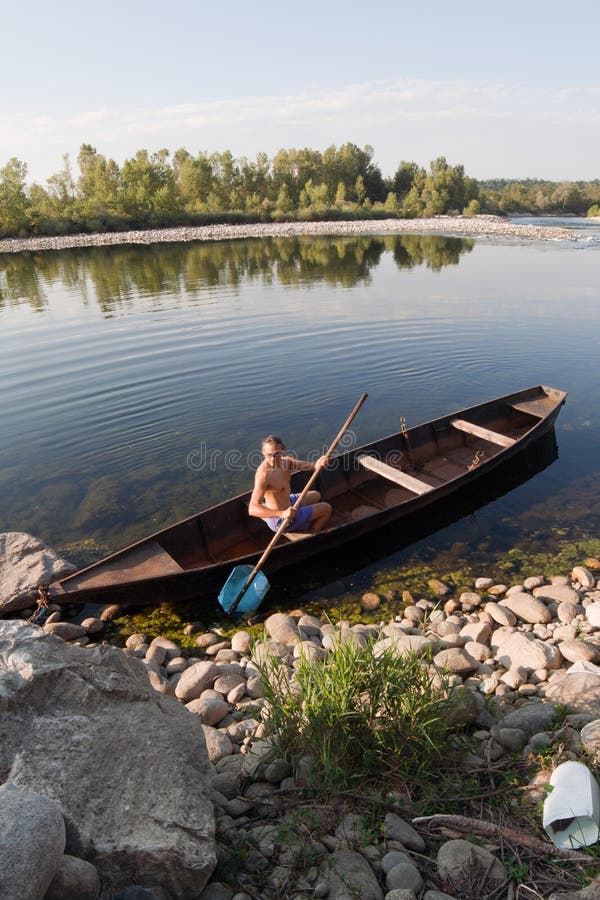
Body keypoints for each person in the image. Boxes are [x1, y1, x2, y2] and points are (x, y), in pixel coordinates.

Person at [248, 435, 332, 534]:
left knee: (316, 495)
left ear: (282, 450)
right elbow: (252, 509)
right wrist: (282, 513)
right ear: (263, 453)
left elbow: (312, 466)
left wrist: (319, 463)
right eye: (269, 455)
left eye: (277, 454)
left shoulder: (287, 462)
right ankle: (311, 534)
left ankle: (303, 518)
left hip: (288, 503)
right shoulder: (263, 475)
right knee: (326, 509)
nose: (273, 459)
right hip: (281, 520)